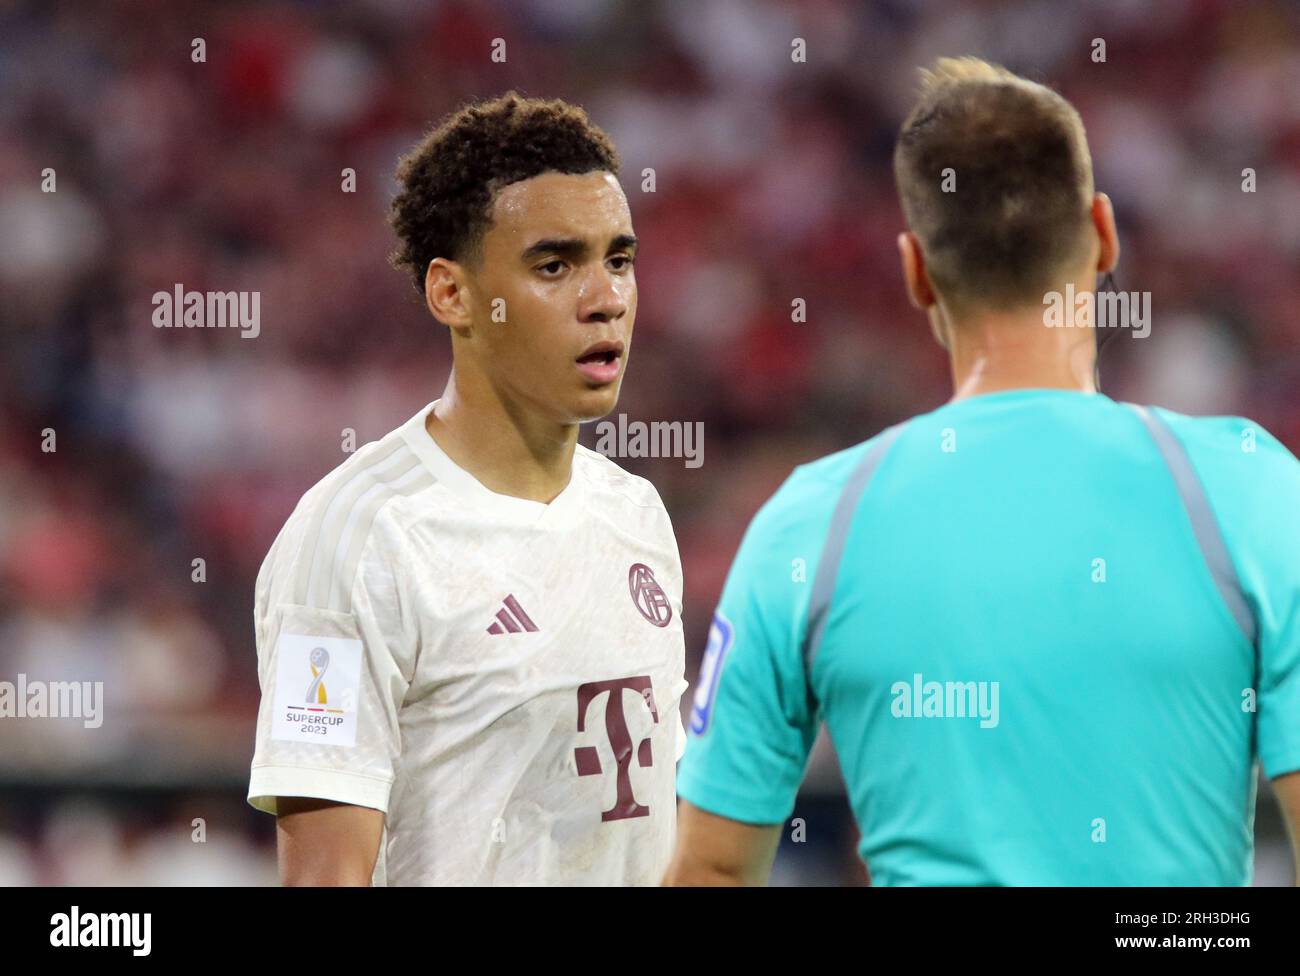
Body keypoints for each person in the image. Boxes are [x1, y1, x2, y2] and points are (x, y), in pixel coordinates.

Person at [665, 57, 1300, 886]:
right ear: (1104, 234)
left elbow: (711, 870)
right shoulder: (1251, 490)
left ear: (915, 270)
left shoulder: (811, 524)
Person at [247, 93, 687, 885]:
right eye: (555, 265)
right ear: (452, 295)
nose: (606, 299)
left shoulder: (637, 515)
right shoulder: (355, 539)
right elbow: (324, 878)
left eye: (618, 259)